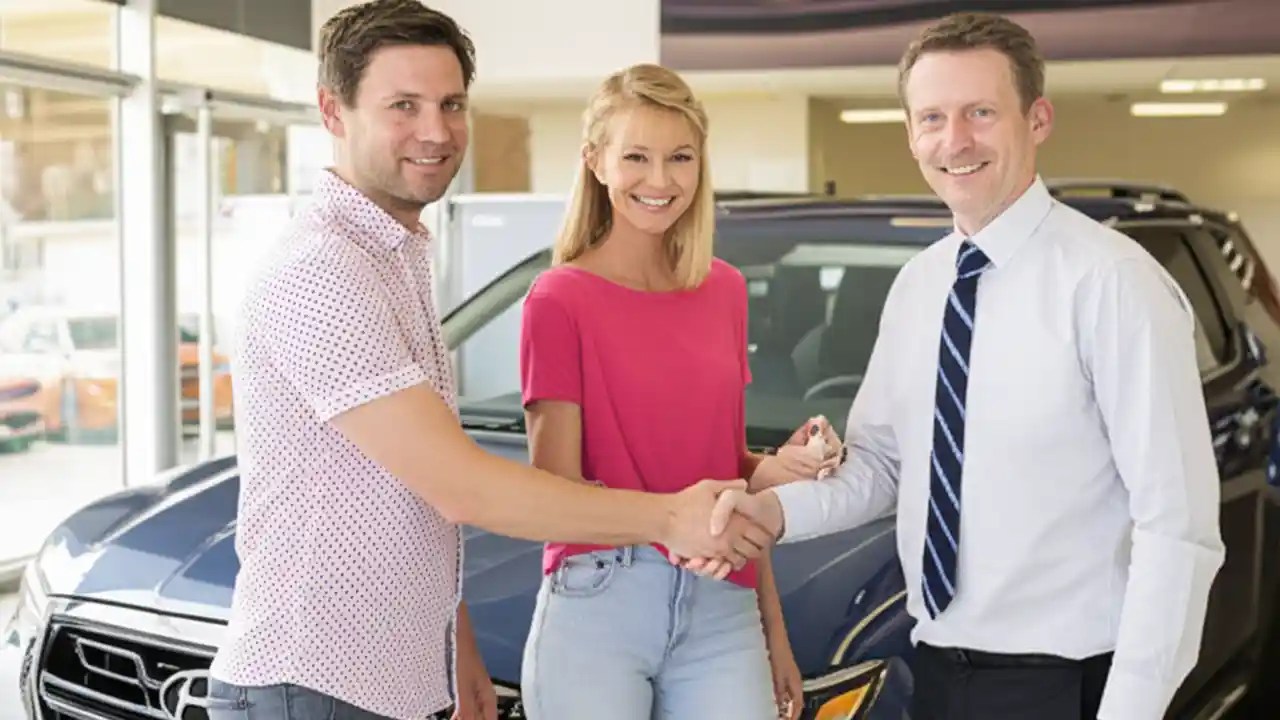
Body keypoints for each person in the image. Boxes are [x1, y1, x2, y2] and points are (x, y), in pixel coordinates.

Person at [206, 3, 776, 720]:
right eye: (403, 106)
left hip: (384, 680)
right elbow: (462, 488)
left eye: (450, 104)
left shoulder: (395, 257)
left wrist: (455, 644)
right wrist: (668, 518)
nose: (436, 130)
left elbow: (411, 496)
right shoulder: (322, 270)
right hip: (312, 686)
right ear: (332, 111)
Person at [699, 11, 1226, 720]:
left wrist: (1131, 707)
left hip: (1067, 683)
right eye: (932, 118)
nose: (955, 141)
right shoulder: (919, 285)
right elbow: (883, 466)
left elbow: (1176, 524)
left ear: (1037, 119)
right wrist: (769, 512)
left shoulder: (1111, 283)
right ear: (911, 134)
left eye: (981, 112)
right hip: (940, 670)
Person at [516, 63, 840, 720]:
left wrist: (780, 469)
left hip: (723, 606)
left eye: (680, 157)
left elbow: (726, 471)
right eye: (636, 156)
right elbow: (553, 498)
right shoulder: (558, 300)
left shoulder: (724, 290)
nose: (660, 180)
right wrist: (675, 521)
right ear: (595, 161)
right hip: (601, 600)